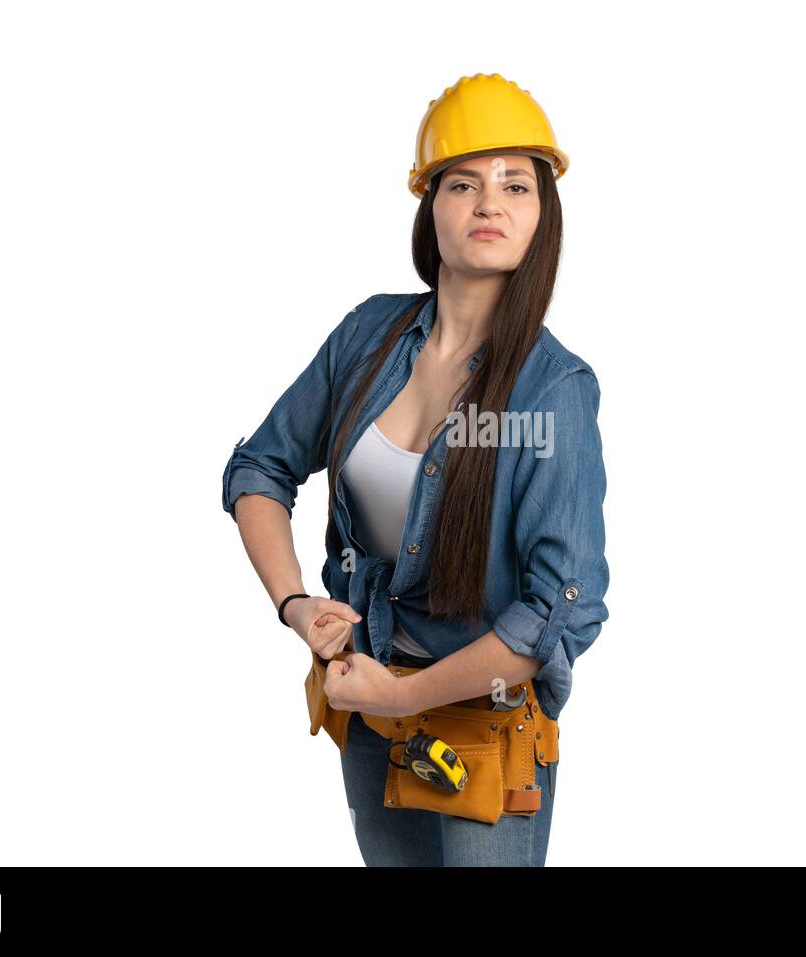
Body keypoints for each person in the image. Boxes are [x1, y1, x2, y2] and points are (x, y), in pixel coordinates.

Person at [221, 73, 608, 866]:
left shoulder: (552, 390)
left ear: (543, 214)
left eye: (515, 184)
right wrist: (297, 604)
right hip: (366, 706)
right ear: (430, 205)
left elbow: (557, 610)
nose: (490, 203)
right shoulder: (368, 334)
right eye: (463, 183)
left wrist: (404, 694)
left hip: (483, 732)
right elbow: (260, 467)